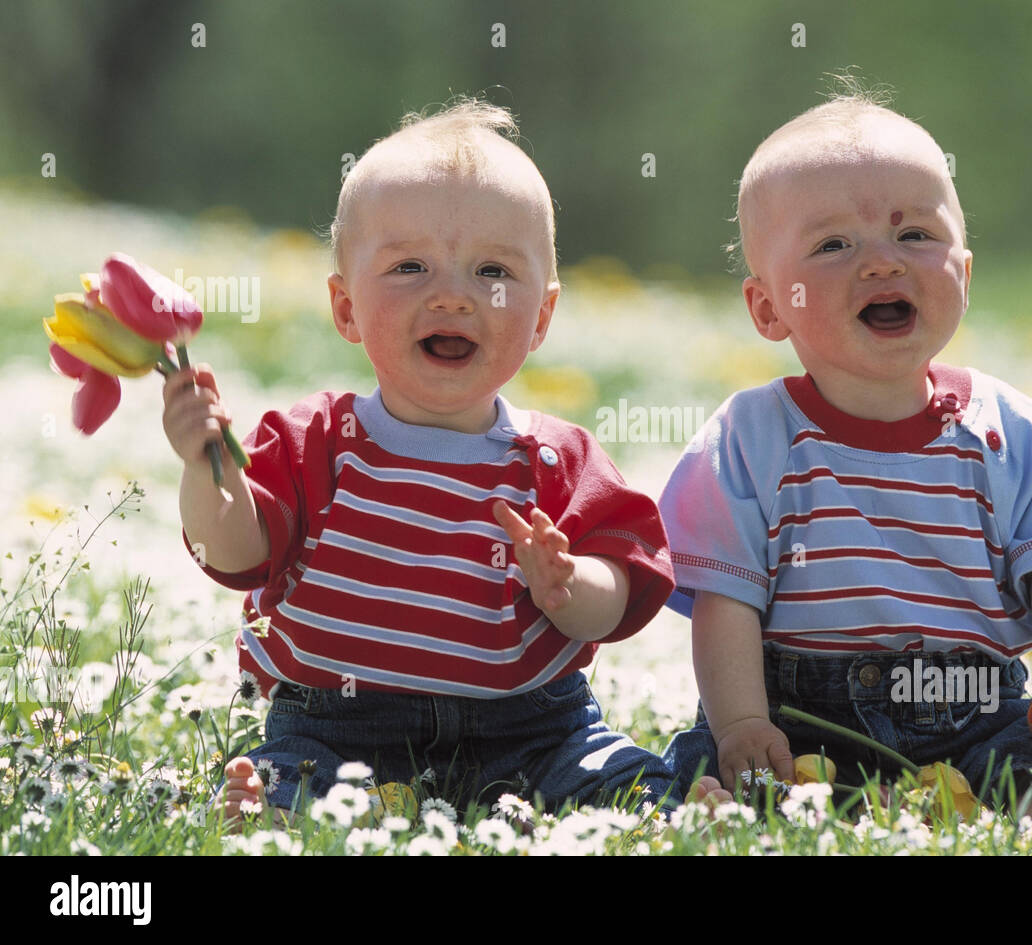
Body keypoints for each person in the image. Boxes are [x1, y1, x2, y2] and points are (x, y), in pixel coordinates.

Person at [162, 100, 677, 827]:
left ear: (542, 316)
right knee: (293, 787)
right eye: (410, 266)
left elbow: (625, 586)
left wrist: (569, 584)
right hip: (340, 726)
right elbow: (234, 552)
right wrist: (206, 466)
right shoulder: (317, 439)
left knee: (629, 785)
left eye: (492, 270)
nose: (452, 295)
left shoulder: (557, 458)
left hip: (532, 729)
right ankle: (271, 806)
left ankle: (677, 806)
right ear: (344, 307)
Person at [661, 86, 1032, 809]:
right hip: (801, 721)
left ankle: (987, 791)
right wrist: (742, 721)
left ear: (964, 275)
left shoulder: (1016, 432)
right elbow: (727, 603)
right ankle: (745, 792)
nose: (882, 262)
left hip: (980, 713)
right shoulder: (747, 439)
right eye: (833, 244)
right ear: (767, 307)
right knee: (701, 773)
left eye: (914, 235)